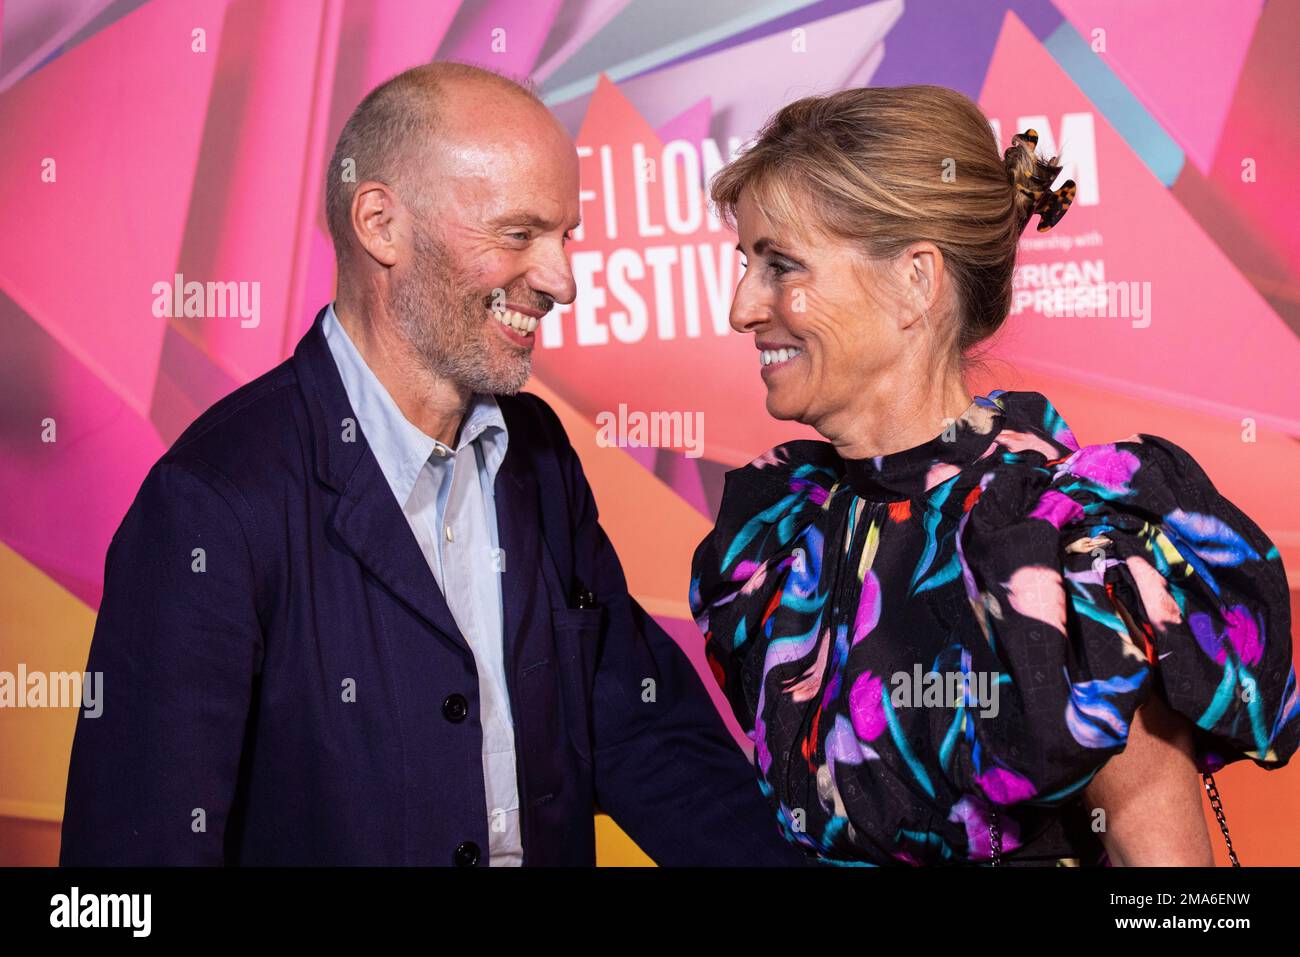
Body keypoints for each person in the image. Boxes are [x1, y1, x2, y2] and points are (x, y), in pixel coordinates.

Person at [60, 62, 805, 867]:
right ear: (381, 223)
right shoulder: (211, 500)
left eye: (565, 238)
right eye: (519, 234)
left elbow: (642, 730)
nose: (561, 279)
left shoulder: (540, 454)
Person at [689, 84, 1299, 866]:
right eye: (747, 264)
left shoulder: (1062, 549)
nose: (742, 307)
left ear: (916, 280)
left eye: (780, 265)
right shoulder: (788, 530)